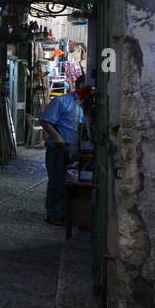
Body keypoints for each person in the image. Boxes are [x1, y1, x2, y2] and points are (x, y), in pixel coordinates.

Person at [39, 75, 89, 226]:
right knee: (56, 181)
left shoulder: (86, 105)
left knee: (71, 181)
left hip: (75, 149)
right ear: (80, 85)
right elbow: (45, 121)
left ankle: (67, 213)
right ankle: (53, 214)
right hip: (58, 148)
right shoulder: (62, 101)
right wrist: (57, 137)